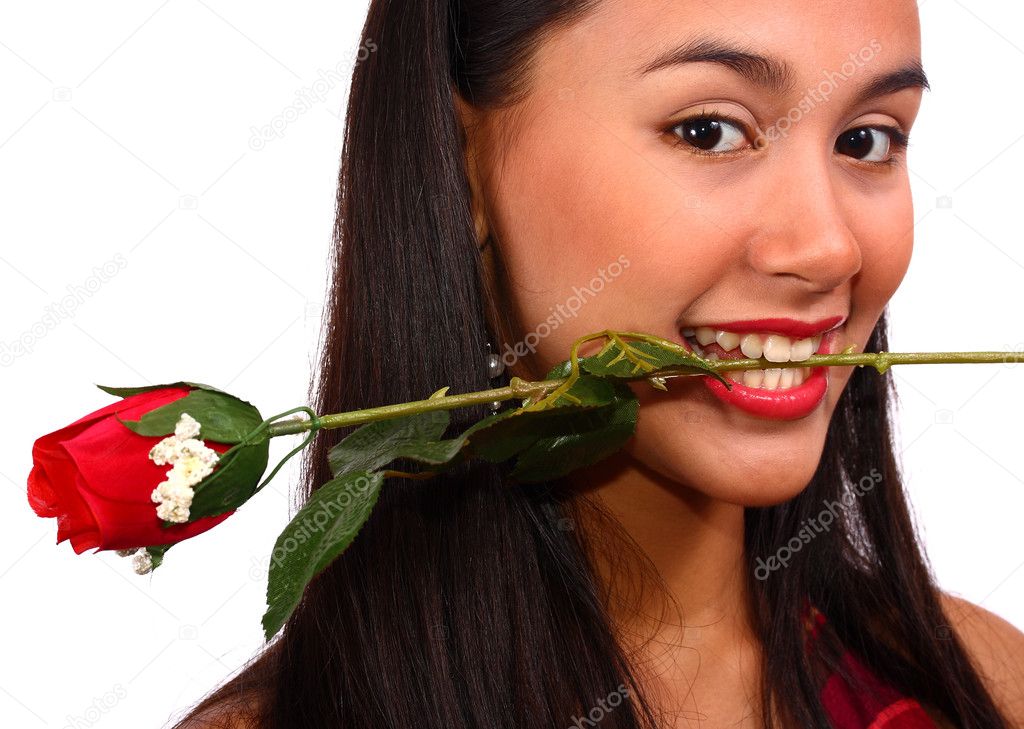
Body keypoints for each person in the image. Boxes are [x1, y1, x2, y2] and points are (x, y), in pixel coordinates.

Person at [173, 0, 1024, 726]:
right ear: (462, 162)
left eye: (868, 141)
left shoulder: (983, 683)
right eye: (709, 130)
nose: (829, 247)